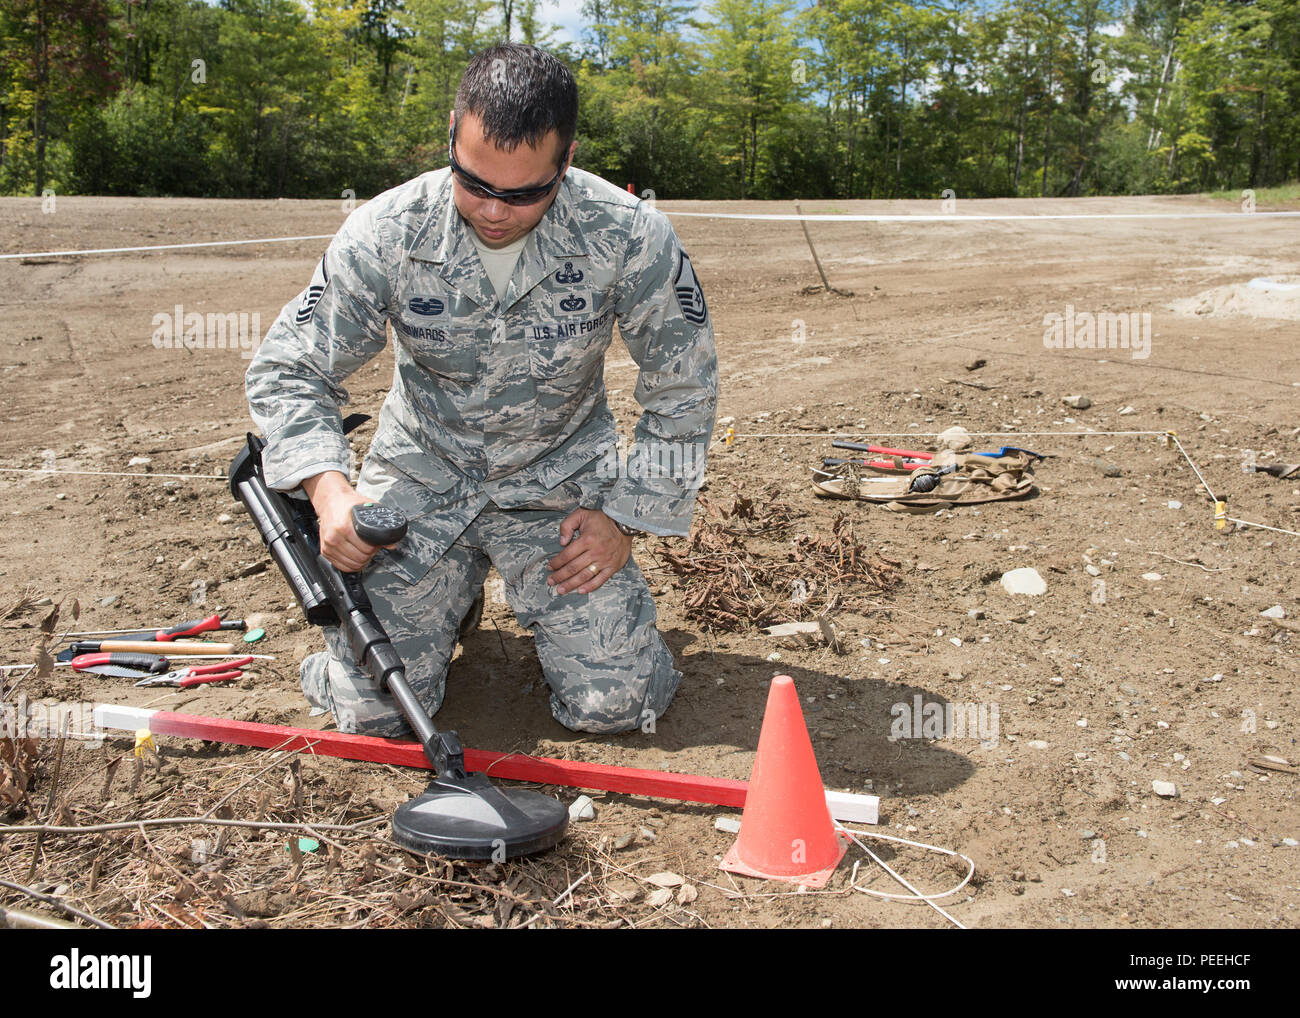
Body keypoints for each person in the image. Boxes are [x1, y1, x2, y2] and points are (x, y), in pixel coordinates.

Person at [244, 43, 718, 738]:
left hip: (559, 488)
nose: (495, 210)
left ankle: (575, 626)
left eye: (526, 192)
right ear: (451, 138)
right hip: (419, 486)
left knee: (617, 706)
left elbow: (684, 385)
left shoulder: (628, 234)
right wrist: (329, 492)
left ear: (567, 158)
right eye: (475, 183)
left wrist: (626, 517)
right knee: (372, 716)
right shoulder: (389, 229)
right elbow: (290, 367)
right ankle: (438, 601)